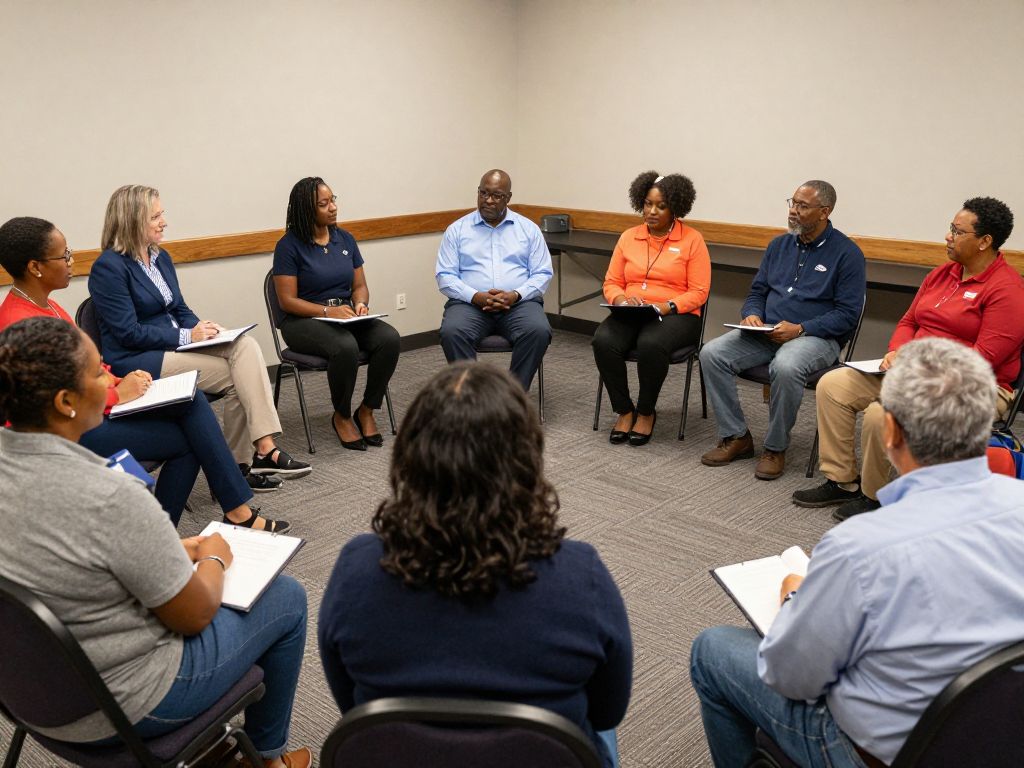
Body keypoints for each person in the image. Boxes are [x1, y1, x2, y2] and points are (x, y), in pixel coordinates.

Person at [690, 337, 1024, 768]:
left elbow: (790, 677)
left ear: (891, 431)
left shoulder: (860, 547)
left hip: (874, 754)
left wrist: (796, 599)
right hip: (1001, 740)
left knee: (713, 649)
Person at [0, 317, 310, 768]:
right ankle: (265, 758)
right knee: (286, 597)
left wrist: (173, 549)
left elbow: (60, 554)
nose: (110, 380)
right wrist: (215, 557)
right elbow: (193, 615)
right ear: (66, 402)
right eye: (97, 373)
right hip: (123, 707)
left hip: (28, 698)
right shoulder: (110, 495)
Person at [318, 363, 632, 768]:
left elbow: (350, 705)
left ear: (409, 459)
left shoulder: (356, 569)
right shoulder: (580, 575)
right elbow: (608, 711)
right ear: (524, 462)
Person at [0, 216, 288, 531]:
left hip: (93, 408)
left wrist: (120, 380)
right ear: (35, 267)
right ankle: (195, 522)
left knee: (190, 405)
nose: (71, 262)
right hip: (65, 432)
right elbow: (57, 400)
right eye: (63, 256)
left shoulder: (49, 307)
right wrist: (116, 393)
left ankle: (180, 526)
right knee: (190, 434)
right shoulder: (19, 323)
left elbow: (88, 366)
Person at [793, 197, 1024, 520]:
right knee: (834, 384)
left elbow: (982, 359)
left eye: (958, 232)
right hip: (911, 371)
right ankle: (841, 481)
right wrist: (896, 351)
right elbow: (909, 321)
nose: (948, 237)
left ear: (985, 242)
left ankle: (877, 497)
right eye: (950, 229)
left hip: (972, 385)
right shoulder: (943, 274)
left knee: (881, 413)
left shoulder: (1007, 290)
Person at [88, 184, 311, 483]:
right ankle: (248, 463)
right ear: (132, 220)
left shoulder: (160, 257)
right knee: (237, 378)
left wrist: (205, 330)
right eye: (156, 216)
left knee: (243, 347)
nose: (164, 221)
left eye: (161, 214)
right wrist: (187, 337)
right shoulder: (109, 268)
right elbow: (128, 333)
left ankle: (259, 451)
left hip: (175, 346)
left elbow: (178, 308)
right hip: (138, 359)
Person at [699, 180, 865, 480]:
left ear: (824, 212)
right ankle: (736, 436)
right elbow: (757, 292)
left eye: (802, 206)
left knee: (786, 366)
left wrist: (801, 328)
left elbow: (848, 315)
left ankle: (775, 447)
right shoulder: (779, 245)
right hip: (766, 333)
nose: (793, 211)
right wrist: (751, 314)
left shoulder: (847, 254)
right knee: (711, 354)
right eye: (792, 202)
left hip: (817, 338)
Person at [272, 177, 400, 451]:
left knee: (389, 339)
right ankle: (341, 415)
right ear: (307, 209)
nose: (333, 207)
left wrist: (361, 304)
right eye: (324, 203)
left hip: (344, 314)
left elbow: (360, 286)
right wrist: (327, 311)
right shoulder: (288, 246)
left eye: (333, 200)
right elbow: (286, 301)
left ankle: (366, 409)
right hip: (302, 321)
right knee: (345, 347)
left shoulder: (345, 239)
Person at [593, 171, 711, 445]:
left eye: (661, 206)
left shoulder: (692, 240)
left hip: (677, 315)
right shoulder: (628, 237)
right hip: (632, 311)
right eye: (647, 204)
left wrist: (668, 305)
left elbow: (699, 292)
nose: (652, 211)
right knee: (603, 341)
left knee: (650, 344)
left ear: (676, 208)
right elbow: (611, 281)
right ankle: (624, 410)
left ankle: (646, 412)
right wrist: (621, 299)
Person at [435, 169, 553, 390]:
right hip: (469, 304)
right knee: (452, 332)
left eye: (496, 195)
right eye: (483, 193)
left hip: (519, 304)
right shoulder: (457, 230)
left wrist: (516, 295)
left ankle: (511, 399)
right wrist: (475, 296)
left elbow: (542, 273)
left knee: (538, 330)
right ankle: (472, 400)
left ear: (508, 198)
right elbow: (445, 276)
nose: (488, 200)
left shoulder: (528, 229)